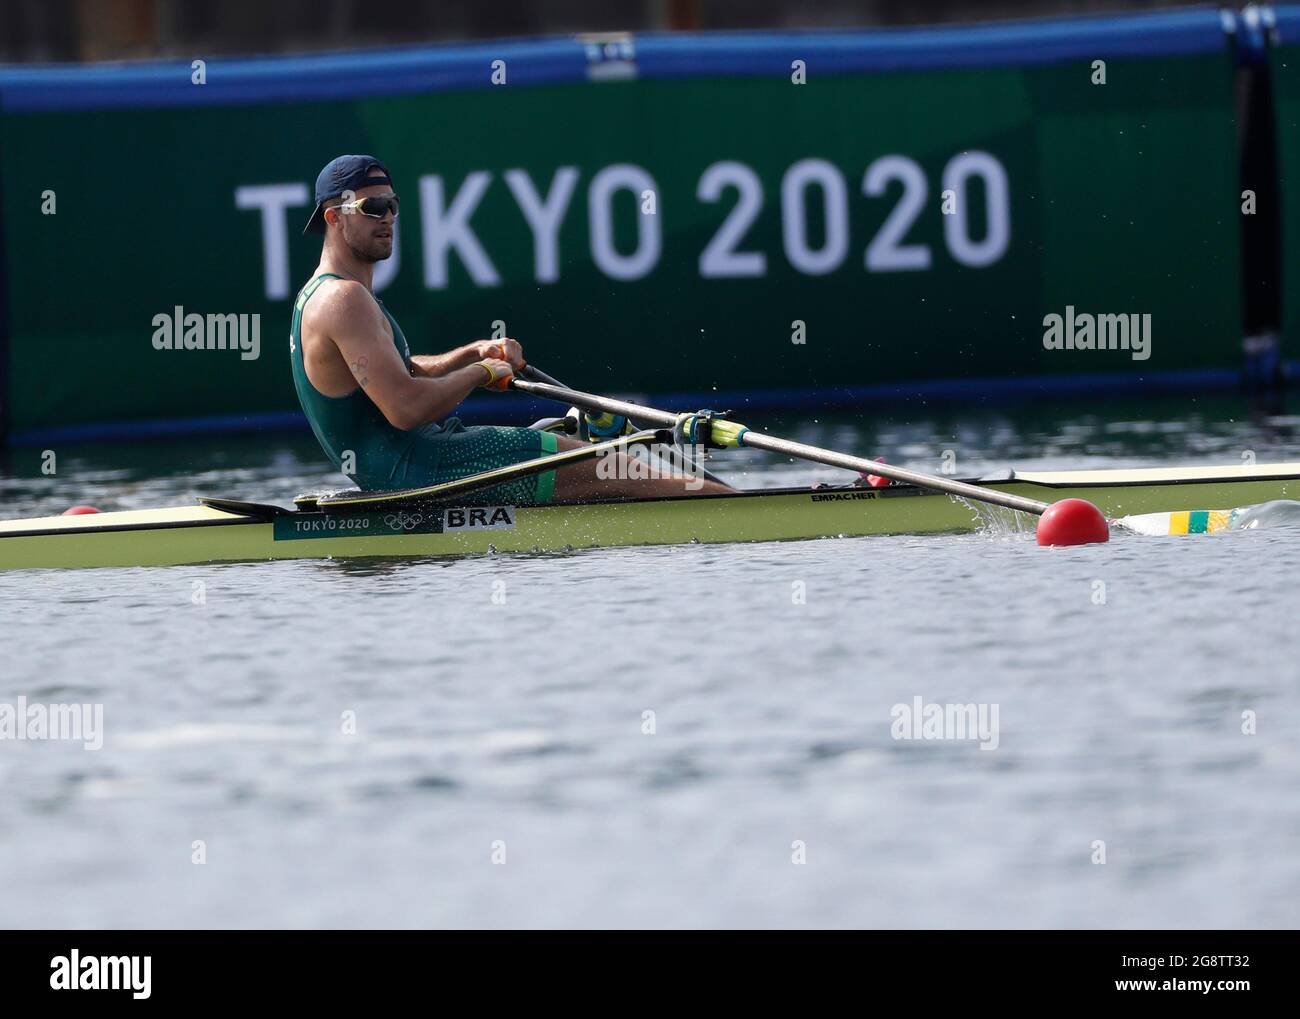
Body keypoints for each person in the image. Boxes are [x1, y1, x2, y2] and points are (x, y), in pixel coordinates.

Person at [291, 154, 731, 503]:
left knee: (580, 441)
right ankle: (748, 510)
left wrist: (472, 354)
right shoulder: (344, 301)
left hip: (413, 464)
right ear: (333, 217)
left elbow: (398, 372)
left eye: (393, 205)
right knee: (634, 472)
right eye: (373, 207)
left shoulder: (324, 296)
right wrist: (482, 375)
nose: (388, 217)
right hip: (428, 467)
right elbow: (404, 407)